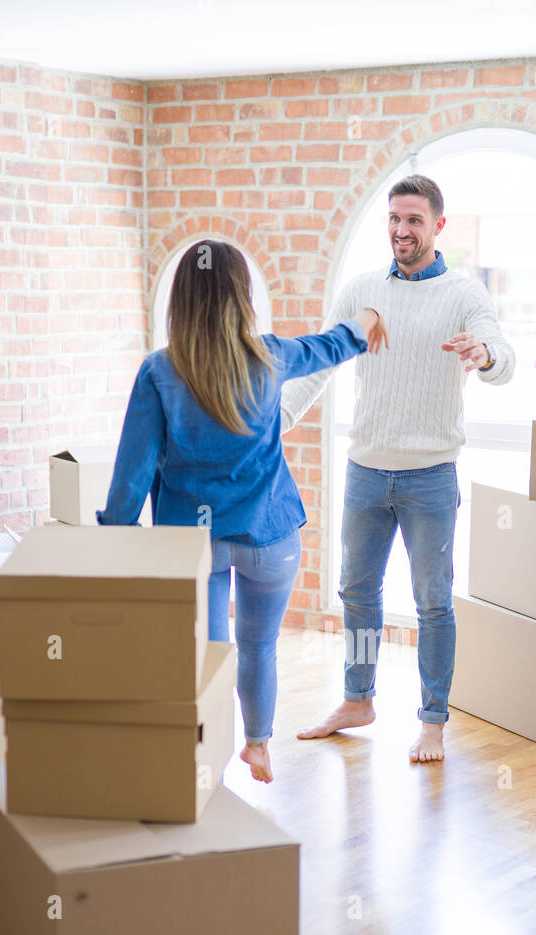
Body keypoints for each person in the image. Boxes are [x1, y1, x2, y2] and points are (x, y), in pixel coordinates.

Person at [97, 239, 388, 783]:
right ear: (242, 297)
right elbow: (331, 346)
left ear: (179, 301)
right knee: (259, 646)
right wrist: (366, 319)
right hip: (269, 538)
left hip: (194, 544)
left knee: (207, 657)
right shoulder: (271, 356)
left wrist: (114, 532)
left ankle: (206, 765)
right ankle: (257, 744)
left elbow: (131, 474)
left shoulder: (160, 372)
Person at [283, 174, 515, 764]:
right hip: (366, 471)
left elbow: (501, 357)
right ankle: (357, 700)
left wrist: (485, 355)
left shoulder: (463, 296)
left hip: (429, 476)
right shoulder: (363, 290)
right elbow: (318, 364)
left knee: (432, 600)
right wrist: (274, 420)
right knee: (358, 593)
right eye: (394, 219)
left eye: (414, 220)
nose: (401, 230)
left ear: (439, 225)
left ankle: (432, 720)